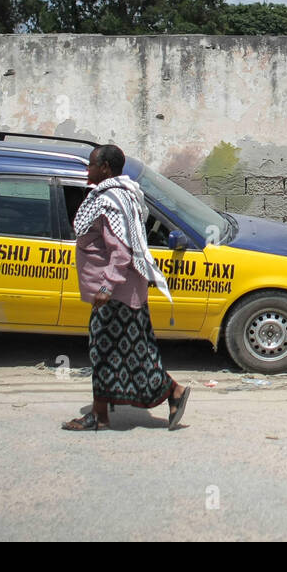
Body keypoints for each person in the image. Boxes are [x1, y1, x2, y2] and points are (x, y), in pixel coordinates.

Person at [61, 144, 190, 432]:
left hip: (115, 296)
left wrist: (106, 287)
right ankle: (162, 395)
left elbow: (120, 251)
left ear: (106, 168)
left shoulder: (111, 200)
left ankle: (107, 413)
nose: (88, 170)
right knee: (132, 353)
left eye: (92, 164)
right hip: (125, 293)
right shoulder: (120, 195)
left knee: (104, 351)